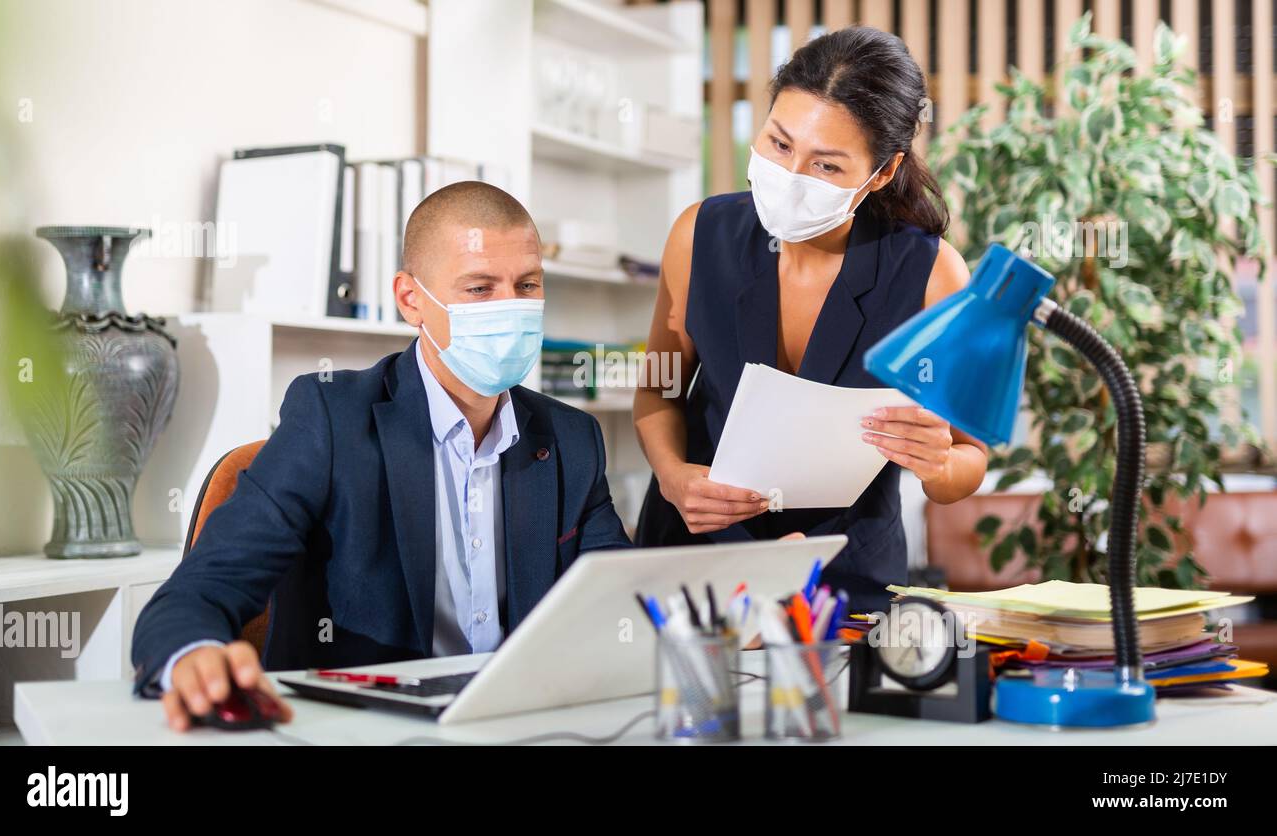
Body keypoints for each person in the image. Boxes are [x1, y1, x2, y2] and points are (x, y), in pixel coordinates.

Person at [132, 181, 632, 730]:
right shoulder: (330, 417)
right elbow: (199, 591)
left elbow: (619, 605)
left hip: (523, 726)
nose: (510, 307)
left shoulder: (571, 438)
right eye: (480, 288)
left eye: (527, 284)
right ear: (411, 299)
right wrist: (195, 656)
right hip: (362, 731)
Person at [632, 26, 988, 612]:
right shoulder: (698, 236)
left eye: (826, 166)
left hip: (845, 578)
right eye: (778, 143)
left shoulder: (932, 276)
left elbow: (967, 459)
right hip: (698, 560)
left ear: (880, 172)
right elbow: (658, 392)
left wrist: (940, 461)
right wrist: (673, 475)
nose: (792, 176)